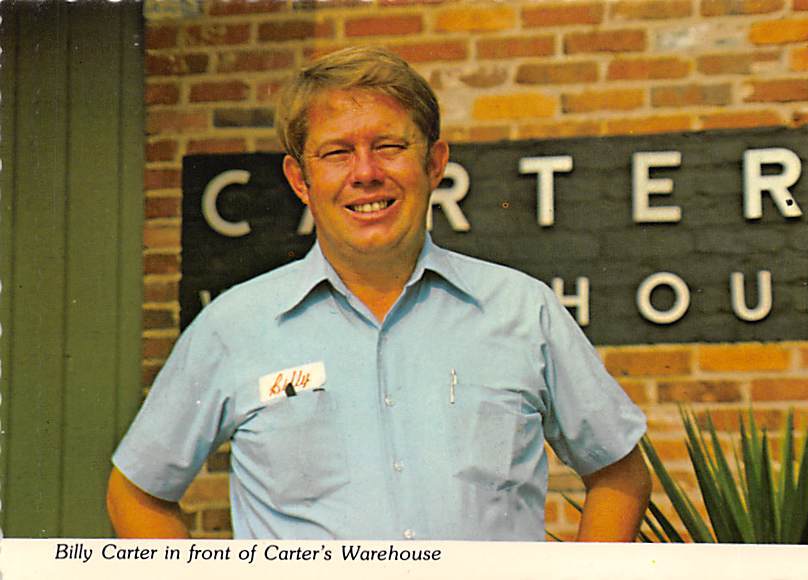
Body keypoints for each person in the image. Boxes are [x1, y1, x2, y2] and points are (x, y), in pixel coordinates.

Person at [107, 46, 651, 541]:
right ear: (299, 180)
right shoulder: (233, 327)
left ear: (434, 163)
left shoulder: (524, 312)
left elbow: (619, 475)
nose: (365, 173)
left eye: (389, 146)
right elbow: (136, 494)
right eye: (337, 153)